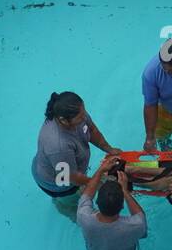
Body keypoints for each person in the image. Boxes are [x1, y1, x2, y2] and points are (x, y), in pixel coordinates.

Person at [31, 91, 121, 219]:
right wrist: (95, 182)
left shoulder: (77, 112)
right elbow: (69, 177)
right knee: (73, 205)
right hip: (57, 182)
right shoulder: (58, 145)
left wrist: (109, 149)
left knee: (82, 187)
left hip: (65, 168)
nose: (84, 117)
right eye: (80, 117)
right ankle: (64, 206)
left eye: (84, 112)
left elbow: (91, 130)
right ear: (63, 120)